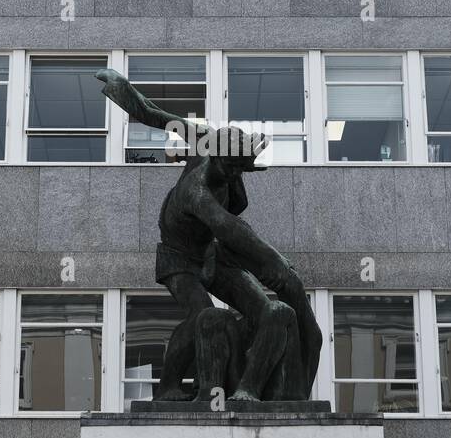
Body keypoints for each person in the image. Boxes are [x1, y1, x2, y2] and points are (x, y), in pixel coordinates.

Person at [96, 68, 322, 402]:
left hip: (213, 251)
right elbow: (230, 227)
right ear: (215, 154)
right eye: (228, 166)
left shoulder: (221, 154)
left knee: (266, 311)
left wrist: (275, 269)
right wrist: (272, 260)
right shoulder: (196, 189)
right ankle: (169, 386)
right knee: (202, 314)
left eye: (238, 169)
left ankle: (249, 383)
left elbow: (156, 115)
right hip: (180, 257)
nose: (232, 175)